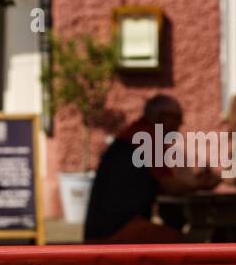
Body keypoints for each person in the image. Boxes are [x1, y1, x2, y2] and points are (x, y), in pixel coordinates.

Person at [83, 94, 220, 243]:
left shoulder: (136, 134)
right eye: (177, 118)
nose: (180, 124)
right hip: (116, 231)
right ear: (161, 117)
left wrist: (193, 182)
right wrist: (202, 184)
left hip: (105, 229)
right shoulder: (148, 137)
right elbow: (170, 186)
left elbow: (158, 183)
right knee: (185, 246)